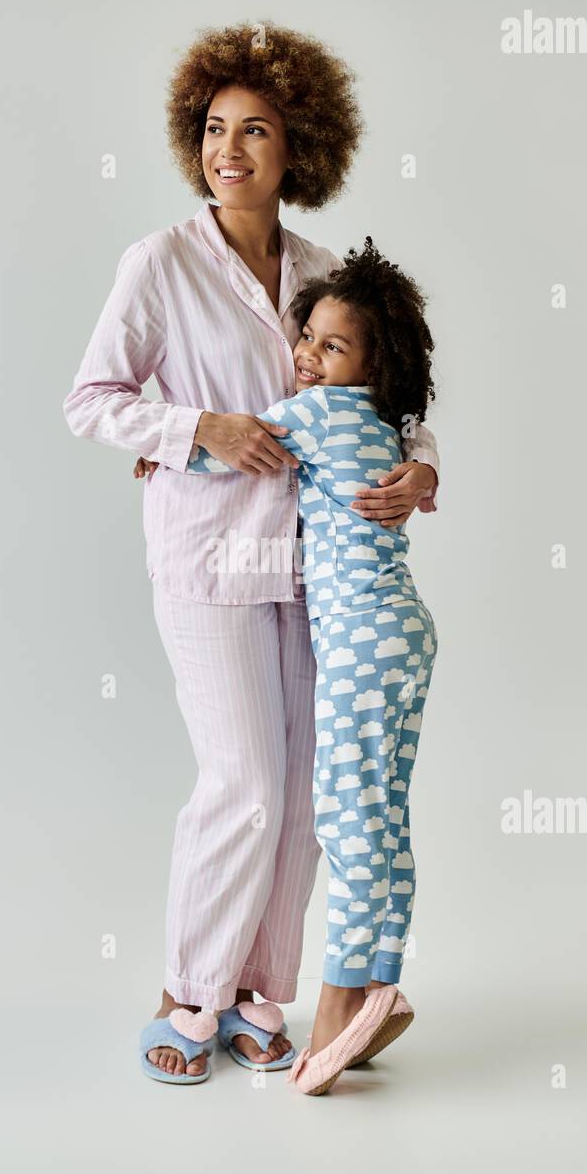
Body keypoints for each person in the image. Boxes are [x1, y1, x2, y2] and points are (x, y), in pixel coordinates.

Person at [63, 21, 440, 1085]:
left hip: (319, 569)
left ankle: (257, 995)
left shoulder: (324, 271)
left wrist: (422, 472)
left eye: (257, 129)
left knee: (313, 787)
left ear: (297, 148)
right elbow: (90, 400)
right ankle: (188, 991)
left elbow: (390, 402)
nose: (230, 148)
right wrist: (196, 430)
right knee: (241, 782)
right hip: (209, 561)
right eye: (215, 129)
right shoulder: (159, 265)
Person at [148, 236, 437, 1093]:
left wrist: (171, 445)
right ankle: (380, 977)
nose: (306, 355)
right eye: (306, 337)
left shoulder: (313, 412)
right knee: (380, 813)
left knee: (344, 820)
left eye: (330, 346)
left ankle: (343, 1006)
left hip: (354, 636)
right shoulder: (380, 419)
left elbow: (236, 439)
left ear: (371, 364)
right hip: (404, 632)